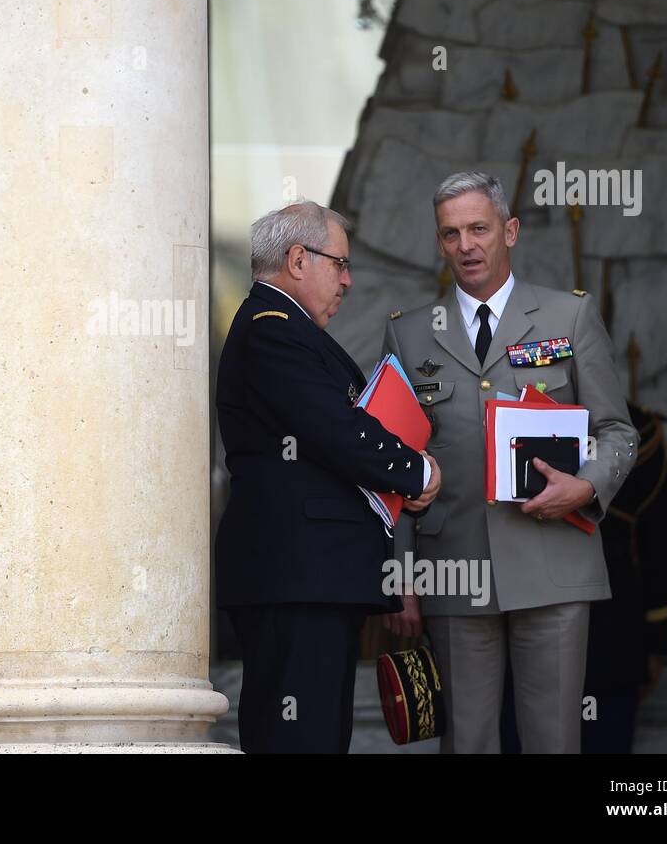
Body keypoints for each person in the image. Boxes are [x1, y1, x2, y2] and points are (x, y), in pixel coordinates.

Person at [381, 171, 636, 753]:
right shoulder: (410, 333)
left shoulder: (567, 318)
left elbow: (618, 432)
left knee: (552, 740)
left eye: (479, 228)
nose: (466, 245)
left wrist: (586, 487)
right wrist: (401, 577)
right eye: (451, 234)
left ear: (510, 231)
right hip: (452, 571)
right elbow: (396, 465)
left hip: (553, 562)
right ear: (439, 242)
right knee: (466, 742)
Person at [215, 199, 440, 754]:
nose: (348, 280)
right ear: (297, 260)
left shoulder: (285, 327)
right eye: (338, 264)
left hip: (307, 577)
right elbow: (334, 429)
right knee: (300, 738)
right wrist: (414, 471)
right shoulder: (274, 329)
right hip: (296, 578)